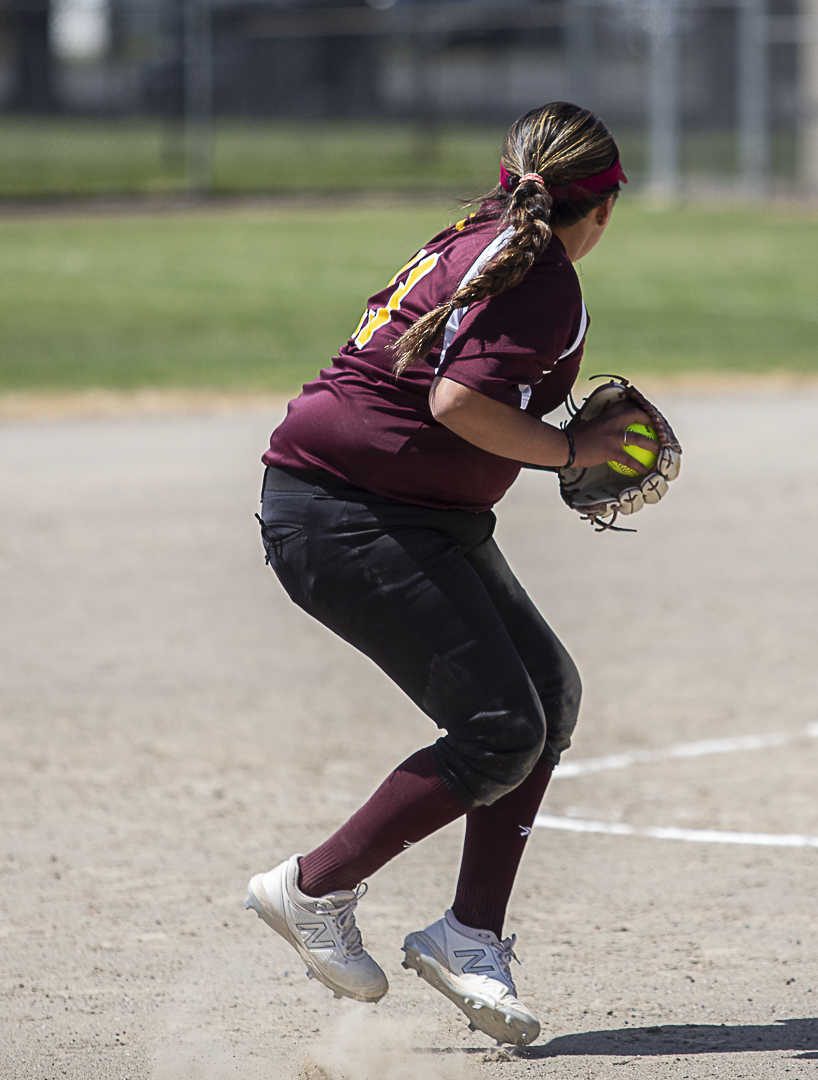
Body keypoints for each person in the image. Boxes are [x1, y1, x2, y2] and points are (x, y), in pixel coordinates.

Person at [243, 102, 657, 1047]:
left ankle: (470, 937)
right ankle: (313, 888)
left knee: (544, 694)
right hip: (347, 515)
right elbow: (460, 399)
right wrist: (567, 449)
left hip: (402, 511)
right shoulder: (543, 276)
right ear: (605, 208)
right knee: (501, 727)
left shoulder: (485, 239)